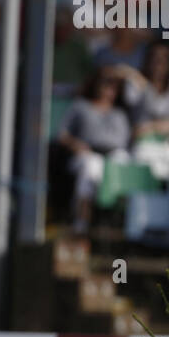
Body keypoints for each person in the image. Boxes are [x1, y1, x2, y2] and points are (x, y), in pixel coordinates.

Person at [56, 67, 132, 234]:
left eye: (112, 86)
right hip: (87, 153)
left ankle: (120, 224)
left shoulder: (120, 113)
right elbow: (62, 134)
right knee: (90, 169)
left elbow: (125, 143)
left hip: (114, 156)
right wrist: (75, 144)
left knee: (124, 165)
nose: (107, 90)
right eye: (104, 84)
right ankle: (81, 222)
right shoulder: (80, 106)